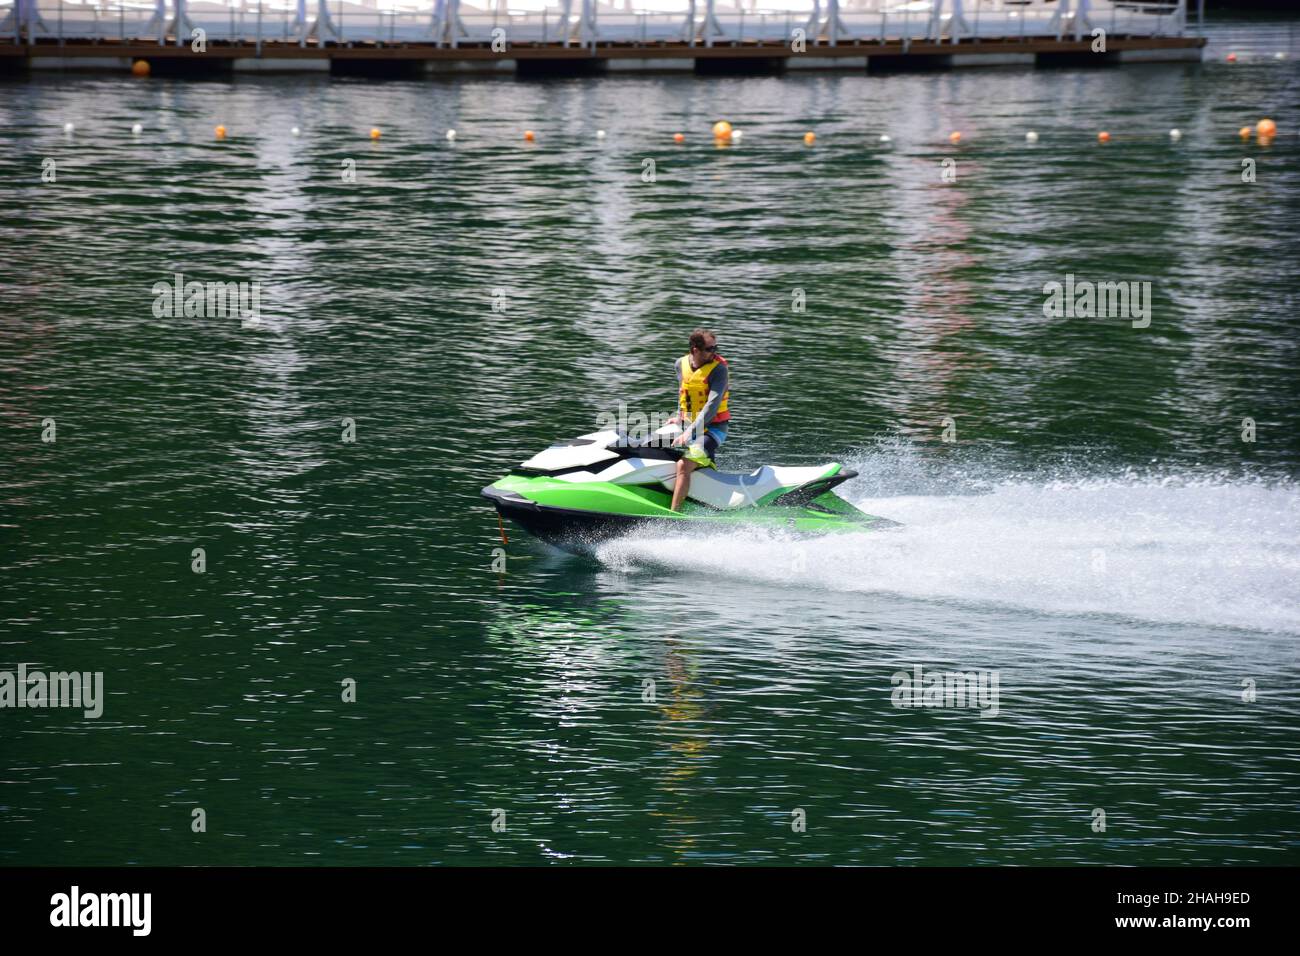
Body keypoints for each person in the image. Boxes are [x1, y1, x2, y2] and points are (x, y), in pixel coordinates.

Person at [666, 328, 731, 512]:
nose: (714, 353)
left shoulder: (719, 369)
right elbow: (683, 391)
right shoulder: (680, 364)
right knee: (654, 449)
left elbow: (712, 405)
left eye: (716, 348)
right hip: (690, 426)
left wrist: (689, 431)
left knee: (683, 465)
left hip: (714, 429)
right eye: (710, 349)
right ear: (695, 349)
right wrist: (679, 417)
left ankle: (673, 516)